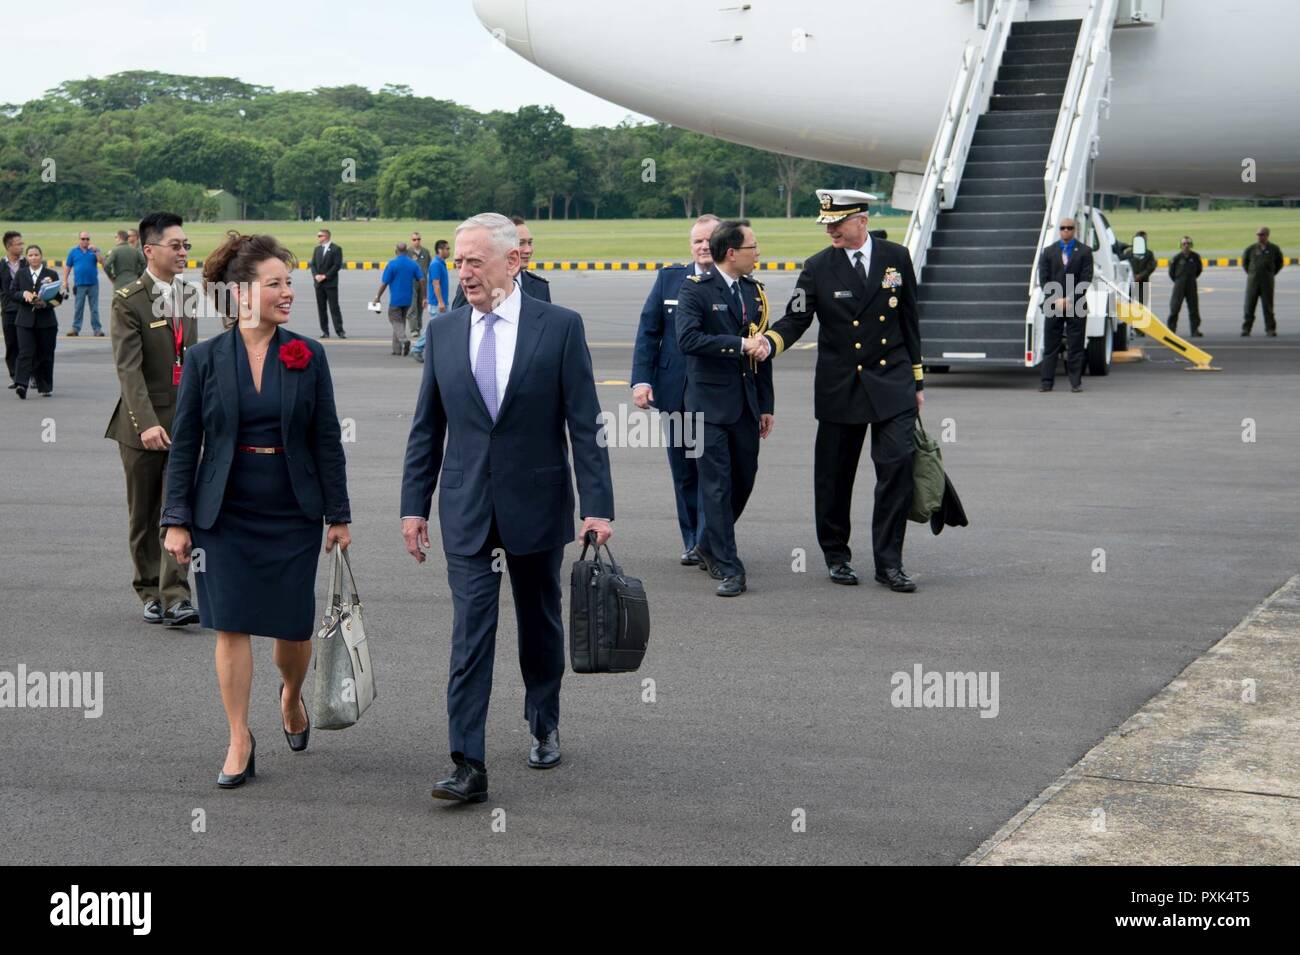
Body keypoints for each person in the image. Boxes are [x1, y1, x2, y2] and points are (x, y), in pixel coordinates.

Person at [400, 213, 613, 803]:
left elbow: (586, 426)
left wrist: (597, 506)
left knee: (539, 623)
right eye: (456, 261)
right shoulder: (443, 332)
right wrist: (413, 507)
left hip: (538, 504)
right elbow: (427, 430)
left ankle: (544, 719)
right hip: (466, 507)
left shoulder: (560, 327)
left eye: (474, 261)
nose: (462, 271)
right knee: (470, 633)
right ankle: (467, 761)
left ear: (513, 262)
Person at [161, 232, 352, 789]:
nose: (288, 292)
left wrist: (338, 515)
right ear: (242, 294)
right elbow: (187, 439)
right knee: (231, 625)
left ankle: (291, 696)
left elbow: (326, 440)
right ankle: (239, 736)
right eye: (276, 284)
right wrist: (176, 519)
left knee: (293, 629)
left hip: (292, 507)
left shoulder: (307, 354)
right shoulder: (203, 358)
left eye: (289, 283)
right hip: (224, 510)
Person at [754, 190, 924, 592]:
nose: (830, 229)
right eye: (826, 224)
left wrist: (917, 381)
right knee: (834, 476)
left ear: (861, 220)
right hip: (841, 384)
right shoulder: (817, 268)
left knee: (897, 469)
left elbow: (910, 320)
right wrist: (770, 343)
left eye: (837, 223)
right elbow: (796, 317)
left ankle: (890, 562)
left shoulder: (896, 258)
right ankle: (837, 555)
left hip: (892, 381)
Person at [104, 211, 200, 627]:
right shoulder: (128, 299)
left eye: (185, 246)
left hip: (183, 421)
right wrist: (146, 423)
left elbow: (192, 361)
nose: (183, 252)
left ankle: (176, 594)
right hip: (141, 425)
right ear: (150, 250)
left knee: (177, 509)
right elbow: (129, 369)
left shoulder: (189, 294)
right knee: (144, 514)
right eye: (175, 245)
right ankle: (148, 589)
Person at [675, 219, 774, 597]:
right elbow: (688, 339)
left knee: (743, 480)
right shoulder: (695, 290)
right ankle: (729, 566)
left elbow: (762, 352)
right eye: (752, 247)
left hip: (746, 405)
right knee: (715, 485)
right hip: (707, 407)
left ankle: (708, 541)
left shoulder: (754, 292)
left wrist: (766, 404)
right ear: (731, 252)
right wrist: (738, 344)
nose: (758, 253)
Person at [630, 214, 719, 565]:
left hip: (716, 396)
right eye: (697, 241)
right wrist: (641, 380)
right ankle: (693, 541)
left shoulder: (736, 283)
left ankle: (713, 537)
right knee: (684, 471)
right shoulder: (670, 279)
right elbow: (649, 331)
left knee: (715, 471)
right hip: (675, 392)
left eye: (709, 240)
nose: (702, 246)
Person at [1036, 217, 1092, 393]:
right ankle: (1046, 382)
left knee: (1075, 345)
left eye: (1069, 228)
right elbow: (1044, 280)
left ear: (1074, 230)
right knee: (1051, 344)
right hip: (1054, 304)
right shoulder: (1048, 252)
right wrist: (1056, 299)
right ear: (1059, 230)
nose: (1066, 231)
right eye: (1063, 228)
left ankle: (1075, 382)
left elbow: (1085, 279)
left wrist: (1069, 299)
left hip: (1076, 304)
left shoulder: (1084, 251)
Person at [451, 215, 550, 306]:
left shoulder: (540, 286)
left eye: (530, 243)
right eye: (521, 243)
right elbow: (458, 321)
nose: (528, 250)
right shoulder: (474, 284)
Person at [8, 245, 64, 398]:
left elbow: (58, 299)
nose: (33, 257)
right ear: (26, 258)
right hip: (25, 321)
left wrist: (45, 304)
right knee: (25, 352)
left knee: (45, 354)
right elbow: (12, 293)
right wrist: (23, 294)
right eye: (30, 255)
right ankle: (21, 384)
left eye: (36, 255)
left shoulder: (51, 274)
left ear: (41, 256)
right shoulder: (21, 273)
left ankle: (45, 386)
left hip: (47, 322)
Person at [373, 242, 424, 356]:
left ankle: (403, 340)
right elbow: (421, 279)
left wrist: (377, 297)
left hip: (396, 299)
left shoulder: (392, 264)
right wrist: (423, 296)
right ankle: (396, 349)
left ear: (396, 251)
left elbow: (384, 282)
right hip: (408, 299)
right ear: (406, 251)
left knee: (395, 320)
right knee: (400, 322)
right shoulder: (413, 264)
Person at [412, 239, 451, 364]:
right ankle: (417, 348)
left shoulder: (441, 263)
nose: (449, 251)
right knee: (433, 329)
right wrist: (440, 302)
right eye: (447, 248)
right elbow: (436, 284)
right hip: (437, 304)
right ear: (440, 250)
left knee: (441, 329)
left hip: (440, 303)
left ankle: (437, 352)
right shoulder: (436, 264)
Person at [1241, 226, 1284, 337]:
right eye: (1258, 235)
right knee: (1249, 306)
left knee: (1268, 307)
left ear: (1267, 235)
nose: (1259, 237)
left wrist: (1270, 273)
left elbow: (1279, 263)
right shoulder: (1251, 249)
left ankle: (1270, 329)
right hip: (1253, 282)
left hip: (1267, 283)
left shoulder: (1274, 249)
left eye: (1262, 235)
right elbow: (1245, 263)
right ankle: (1246, 329)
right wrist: (1252, 274)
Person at [62, 231, 104, 337]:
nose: (85, 241)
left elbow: (101, 261)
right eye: (83, 239)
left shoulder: (94, 250)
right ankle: (75, 328)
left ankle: (97, 329)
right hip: (79, 284)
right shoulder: (73, 251)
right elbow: (68, 267)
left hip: (93, 284)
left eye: (87, 239)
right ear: (79, 239)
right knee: (78, 307)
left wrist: (96, 251)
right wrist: (65, 281)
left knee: (94, 308)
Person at [310, 228, 345, 338]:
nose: (318, 238)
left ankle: (340, 331)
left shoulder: (336, 249)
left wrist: (325, 276)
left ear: (326, 237)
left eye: (320, 236)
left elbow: (337, 265)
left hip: (330, 283)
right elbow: (313, 264)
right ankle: (325, 331)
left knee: (334, 307)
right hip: (319, 284)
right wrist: (316, 275)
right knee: (321, 308)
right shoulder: (317, 249)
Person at [1168, 236, 1204, 337]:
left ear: (1191, 245)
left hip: (1191, 285)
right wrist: (1179, 281)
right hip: (1179, 285)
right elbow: (1171, 273)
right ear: (1181, 245)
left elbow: (1199, 270)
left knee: (1194, 308)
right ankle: (1171, 330)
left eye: (1188, 243)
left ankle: (1195, 330)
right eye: (1184, 244)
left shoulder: (1195, 257)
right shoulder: (1176, 258)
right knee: (1174, 308)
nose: (1186, 245)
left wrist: (1191, 278)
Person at [1, 231, 23, 388]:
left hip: (25, 309)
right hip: (8, 310)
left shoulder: (27, 263)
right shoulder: (1, 266)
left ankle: (30, 375)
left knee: (28, 344)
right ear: (9, 247)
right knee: (12, 344)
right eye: (19, 244)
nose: (22, 246)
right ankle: (16, 377)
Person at [408, 232, 433, 342]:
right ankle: (413, 329)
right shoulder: (407, 252)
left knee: (421, 304)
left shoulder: (425, 252)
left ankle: (418, 326)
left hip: (423, 282)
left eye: (418, 239)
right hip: (411, 282)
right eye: (414, 239)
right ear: (411, 240)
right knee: (412, 306)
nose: (416, 241)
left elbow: (430, 266)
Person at [1122, 230, 1156, 309]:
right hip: (1130, 282)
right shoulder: (1128, 253)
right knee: (1128, 305)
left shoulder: (1149, 253)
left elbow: (1151, 267)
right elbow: (1125, 266)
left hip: (1143, 282)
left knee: (1142, 306)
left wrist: (1141, 275)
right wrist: (1133, 276)